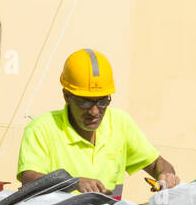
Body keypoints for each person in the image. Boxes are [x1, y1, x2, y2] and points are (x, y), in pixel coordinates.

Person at [17, 48, 180, 195]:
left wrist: (166, 176)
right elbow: (30, 179)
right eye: (85, 102)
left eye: (102, 101)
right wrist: (72, 182)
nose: (94, 111)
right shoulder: (42, 129)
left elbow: (159, 164)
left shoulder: (120, 123)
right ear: (67, 96)